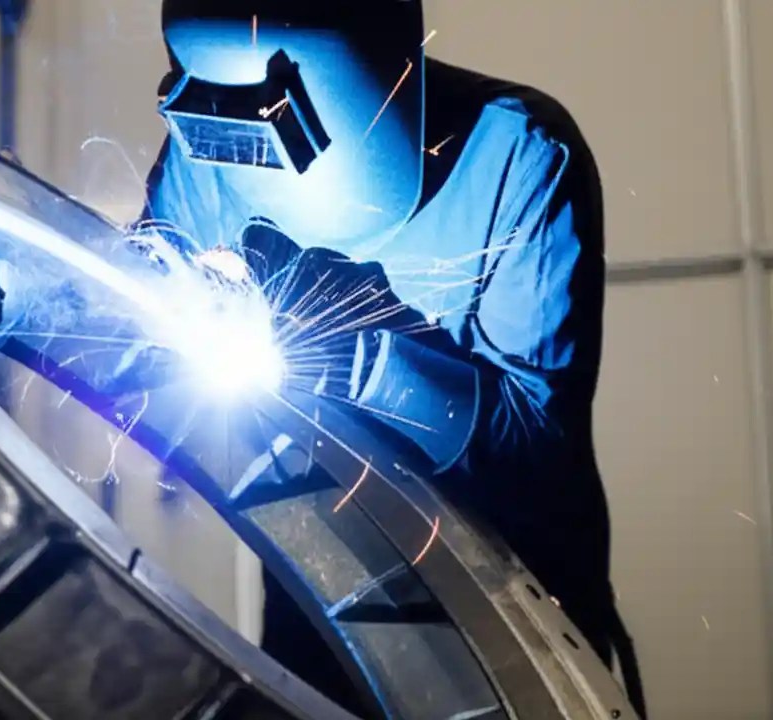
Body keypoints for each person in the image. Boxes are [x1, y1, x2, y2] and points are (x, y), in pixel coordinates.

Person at [137, 0, 646, 716]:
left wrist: (363, 352)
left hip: (510, 627)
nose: (230, 147)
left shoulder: (519, 154)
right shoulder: (205, 153)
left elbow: (535, 451)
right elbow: (142, 319)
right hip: (321, 600)